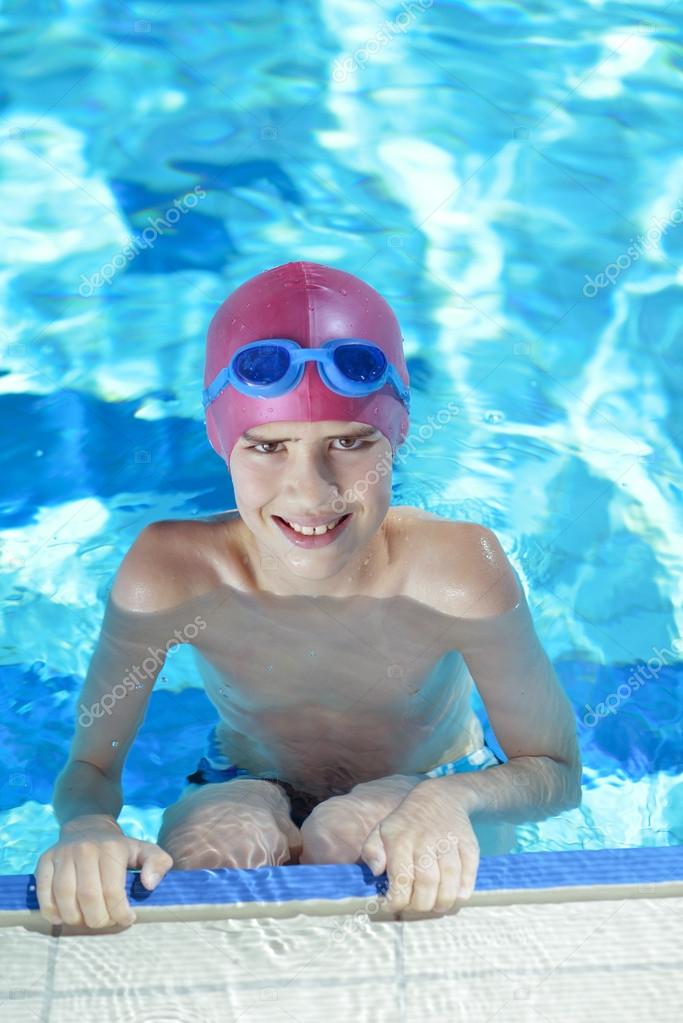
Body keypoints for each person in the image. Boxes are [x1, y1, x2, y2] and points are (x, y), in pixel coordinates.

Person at [35, 261, 582, 930]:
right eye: (268, 446)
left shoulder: (458, 568)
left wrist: (453, 802)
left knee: (350, 832)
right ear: (219, 442)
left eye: (350, 443)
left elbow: (553, 771)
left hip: (436, 786)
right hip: (243, 777)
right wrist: (88, 827)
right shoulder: (171, 571)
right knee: (215, 848)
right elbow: (90, 766)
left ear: (400, 435)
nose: (312, 492)